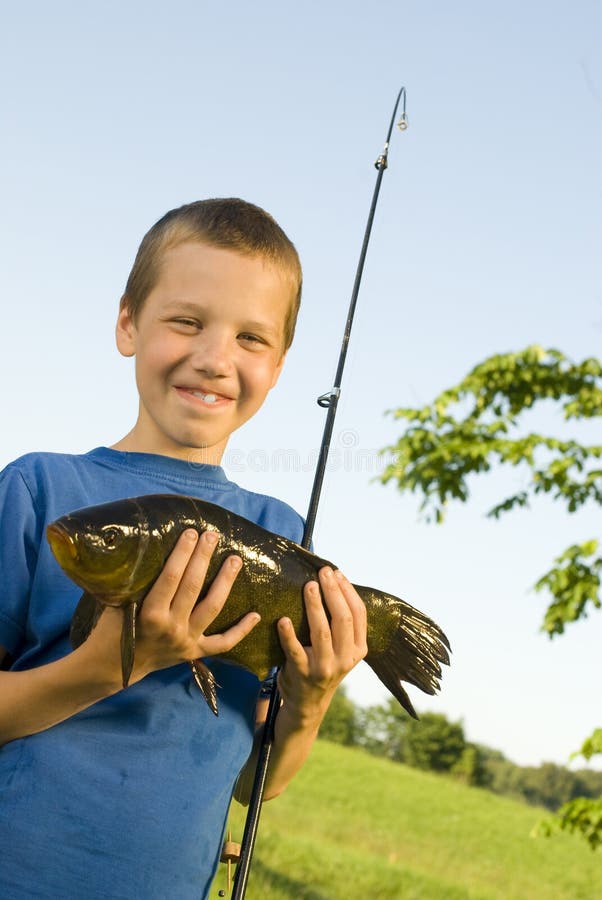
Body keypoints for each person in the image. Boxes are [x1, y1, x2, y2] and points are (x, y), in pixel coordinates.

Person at [0, 199, 368, 899]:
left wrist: (313, 698)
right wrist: (108, 666)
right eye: (186, 321)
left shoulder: (284, 533)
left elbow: (257, 785)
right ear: (128, 324)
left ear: (281, 365)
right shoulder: (37, 487)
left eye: (251, 338)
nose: (214, 358)